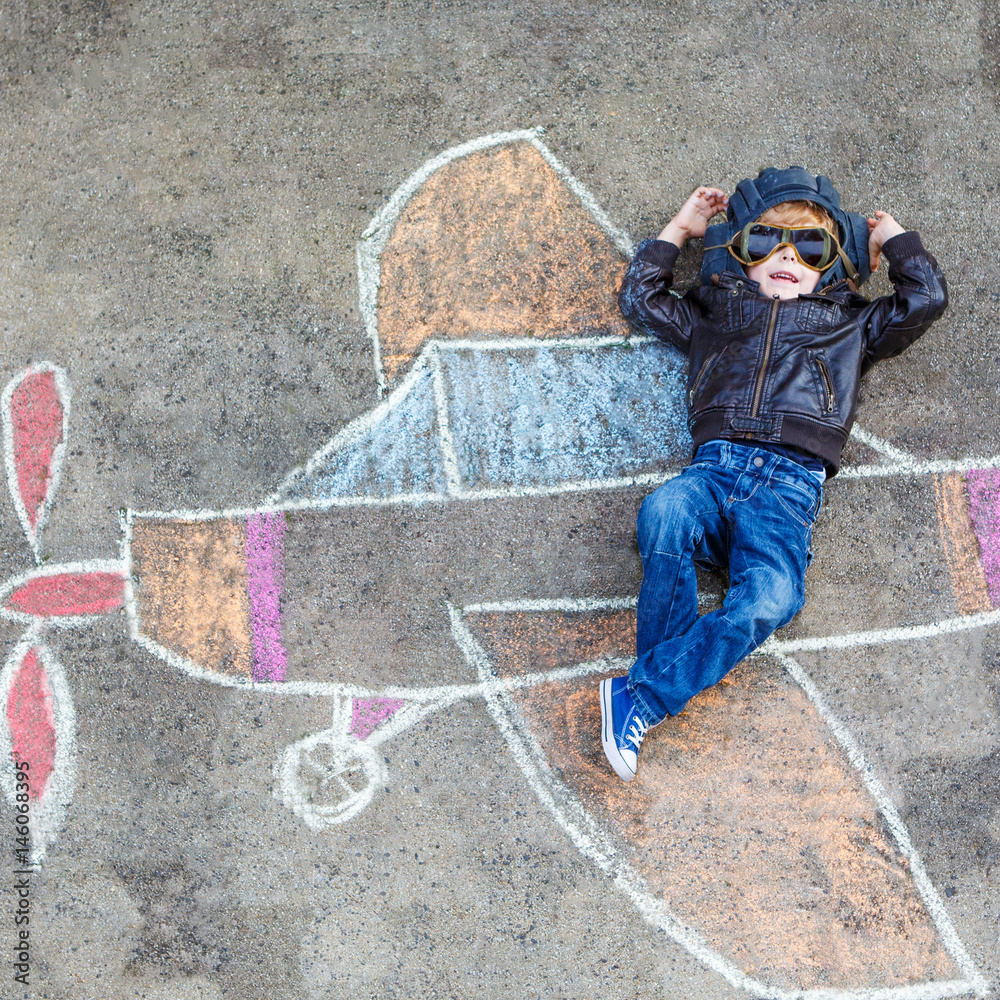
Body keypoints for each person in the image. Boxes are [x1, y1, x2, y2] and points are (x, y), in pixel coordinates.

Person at [600, 169, 948, 783]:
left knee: (772, 598)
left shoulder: (851, 324)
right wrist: (682, 229)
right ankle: (648, 692)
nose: (787, 257)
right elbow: (643, 299)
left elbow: (924, 300)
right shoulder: (716, 314)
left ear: (832, 266)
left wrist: (896, 244)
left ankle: (642, 696)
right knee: (664, 513)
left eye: (810, 248)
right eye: (766, 244)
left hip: (788, 486)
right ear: (739, 256)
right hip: (715, 467)